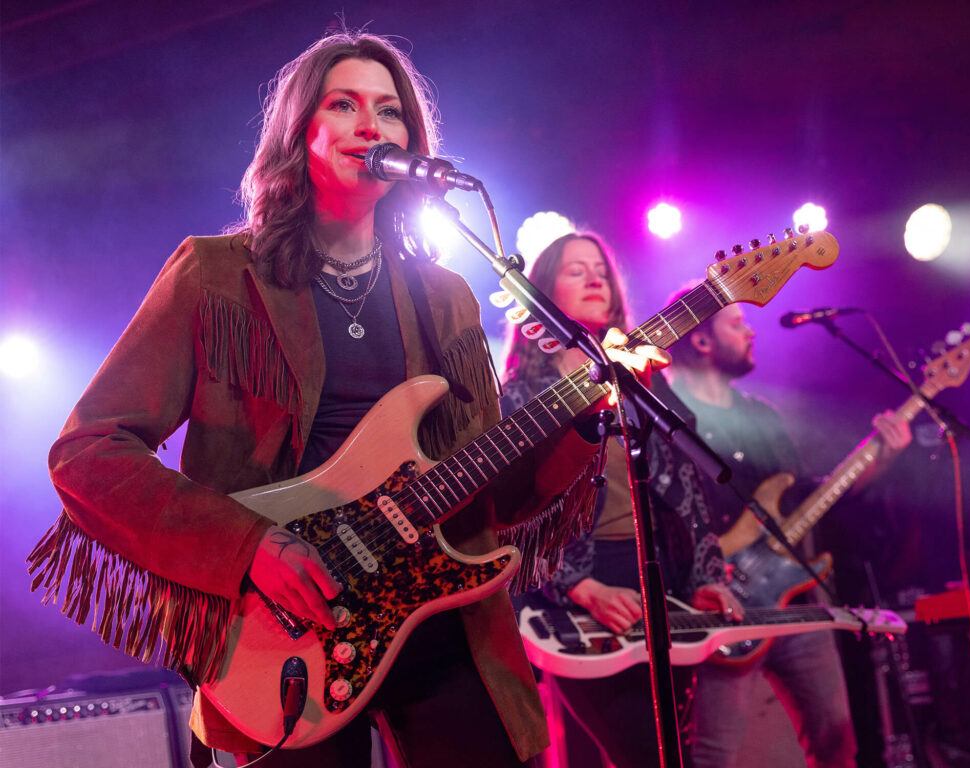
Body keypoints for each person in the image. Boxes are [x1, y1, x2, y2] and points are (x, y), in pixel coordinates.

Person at [27, 33, 623, 768]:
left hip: (438, 619)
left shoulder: (445, 296)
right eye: (344, 105)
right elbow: (89, 451)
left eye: (390, 111)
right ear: (299, 134)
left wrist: (580, 429)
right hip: (283, 629)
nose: (372, 127)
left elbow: (494, 495)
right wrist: (248, 546)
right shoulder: (217, 277)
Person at [501, 233, 743, 768]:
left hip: (660, 571)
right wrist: (578, 587)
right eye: (574, 270)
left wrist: (705, 578)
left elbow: (690, 492)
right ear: (543, 290)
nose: (593, 279)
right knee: (640, 752)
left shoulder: (646, 379)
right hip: (577, 586)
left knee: (677, 751)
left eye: (601, 271)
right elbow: (511, 517)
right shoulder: (518, 396)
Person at [664, 293, 912, 768]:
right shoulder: (666, 416)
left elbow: (806, 499)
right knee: (714, 755)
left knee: (837, 742)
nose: (751, 331)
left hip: (791, 603)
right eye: (736, 324)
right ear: (700, 339)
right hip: (720, 606)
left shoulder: (762, 416)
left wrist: (881, 458)